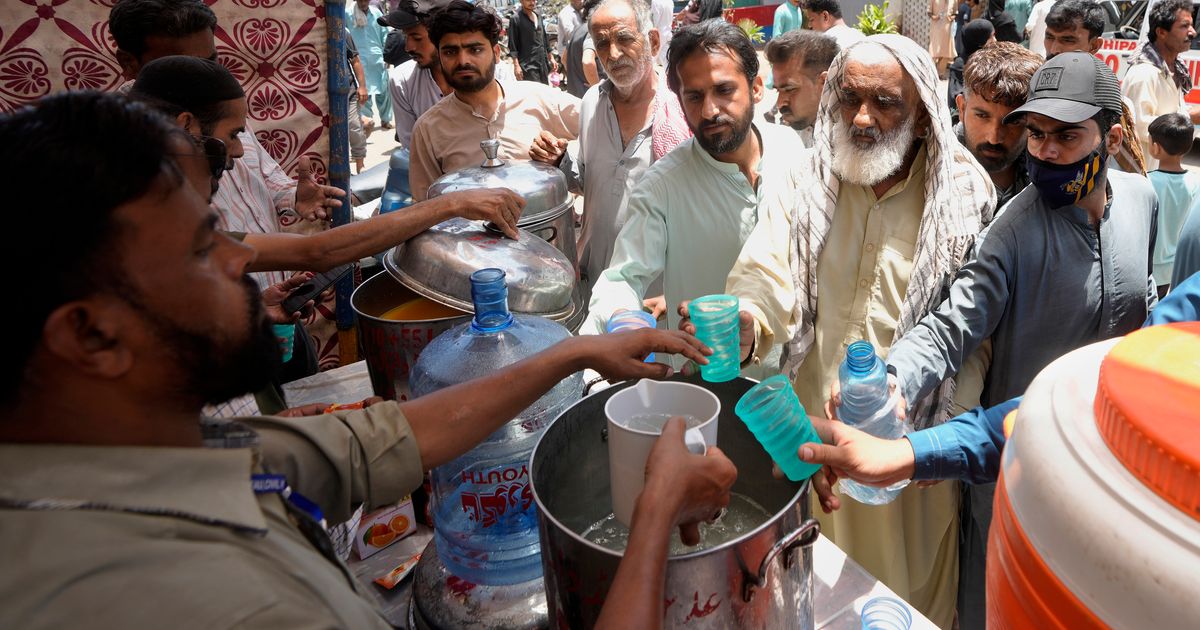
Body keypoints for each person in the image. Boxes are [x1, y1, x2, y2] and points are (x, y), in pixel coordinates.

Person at [0, 89, 731, 629]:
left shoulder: (175, 454)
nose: (242, 260)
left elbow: (389, 440)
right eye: (203, 250)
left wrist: (576, 349)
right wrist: (655, 511)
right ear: (90, 336)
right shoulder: (206, 600)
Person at [719, 36, 998, 629]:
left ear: (923, 112)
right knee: (806, 591)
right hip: (812, 442)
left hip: (908, 451)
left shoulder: (964, 193)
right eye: (849, 99)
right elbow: (767, 267)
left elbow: (973, 331)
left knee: (904, 604)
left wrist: (937, 441)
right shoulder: (807, 177)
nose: (863, 118)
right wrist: (748, 316)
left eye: (885, 102)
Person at [882, 52, 1158, 630]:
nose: (1045, 152)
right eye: (1034, 133)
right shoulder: (1013, 229)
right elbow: (951, 323)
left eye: (1065, 136)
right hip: (1017, 471)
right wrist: (893, 377)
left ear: (1111, 136)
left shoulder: (1142, 201)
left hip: (1113, 474)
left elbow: (1148, 311)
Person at [584, 19, 807, 361]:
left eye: (724, 90)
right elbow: (623, 277)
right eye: (694, 96)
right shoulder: (663, 186)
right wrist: (622, 323)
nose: (709, 111)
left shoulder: (787, 147)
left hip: (794, 376)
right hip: (708, 383)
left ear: (757, 88)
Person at [109, 0, 347, 290]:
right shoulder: (119, 151)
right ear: (129, 62)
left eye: (211, 61)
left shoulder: (220, 106)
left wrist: (293, 197)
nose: (206, 80)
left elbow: (263, 179)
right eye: (183, 68)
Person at [530, 0, 693, 304]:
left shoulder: (681, 110)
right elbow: (586, 183)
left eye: (624, 38)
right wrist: (557, 161)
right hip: (597, 280)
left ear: (653, 41)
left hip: (658, 291)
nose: (613, 54)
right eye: (602, 44)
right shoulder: (592, 101)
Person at [408, 0, 581, 201]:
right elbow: (426, 205)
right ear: (439, 56)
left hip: (547, 230)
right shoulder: (428, 129)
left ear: (496, 53)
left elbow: (603, 126)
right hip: (468, 233)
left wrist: (563, 159)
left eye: (475, 49)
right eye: (450, 52)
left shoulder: (537, 98)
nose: (463, 60)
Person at [1044, 0, 1147, 175]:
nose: (1054, 49)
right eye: (1049, 37)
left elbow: (1125, 171)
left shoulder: (1114, 106)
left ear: (1094, 46)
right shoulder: (1028, 87)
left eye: (1067, 40)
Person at [955, 42, 1040, 208]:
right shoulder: (929, 168)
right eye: (982, 116)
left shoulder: (1045, 171)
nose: (994, 137)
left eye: (1013, 121)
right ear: (962, 107)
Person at [1122, 0, 1199, 172]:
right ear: (1162, 32)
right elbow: (1139, 127)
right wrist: (1188, 117)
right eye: (1184, 26)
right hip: (1142, 172)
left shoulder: (1175, 68)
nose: (1192, 32)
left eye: (1191, 25)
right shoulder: (1144, 74)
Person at [382, 1, 454, 148]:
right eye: (406, 36)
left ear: (443, 35)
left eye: (417, 38)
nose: (408, 47)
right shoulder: (402, 80)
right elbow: (411, 149)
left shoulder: (490, 74)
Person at [1147, 113, 1200, 296]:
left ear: (1155, 147)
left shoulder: (1147, 180)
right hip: (1174, 264)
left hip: (1149, 263)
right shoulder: (1195, 183)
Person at [764, 29, 839, 146]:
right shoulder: (786, 140)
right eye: (777, 90)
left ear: (825, 82)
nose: (779, 104)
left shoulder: (852, 140)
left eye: (789, 89)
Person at [351, 0, 394, 132]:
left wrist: (387, 54)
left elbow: (385, 34)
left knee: (384, 91)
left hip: (377, 59)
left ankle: (386, 119)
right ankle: (367, 121)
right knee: (364, 93)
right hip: (359, 61)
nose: (363, 2)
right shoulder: (348, 14)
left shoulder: (376, 13)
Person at [946, 18, 995, 121]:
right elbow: (955, 104)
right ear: (980, 41)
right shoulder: (960, 66)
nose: (995, 41)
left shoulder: (990, 61)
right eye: (991, 37)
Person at [563, 0, 604, 98]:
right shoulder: (593, 31)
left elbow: (564, 59)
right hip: (589, 97)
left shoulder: (577, 30)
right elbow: (588, 61)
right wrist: (596, 87)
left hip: (574, 94)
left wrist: (576, 77)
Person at [508, 0, 557, 83]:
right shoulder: (515, 19)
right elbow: (513, 45)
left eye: (534, 0)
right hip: (528, 66)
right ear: (521, 1)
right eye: (528, 0)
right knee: (534, 93)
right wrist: (516, 66)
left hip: (542, 63)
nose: (532, 2)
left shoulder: (539, 16)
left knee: (544, 91)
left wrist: (551, 58)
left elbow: (544, 38)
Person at [929, 0, 957, 77]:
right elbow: (929, 12)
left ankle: (940, 73)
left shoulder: (954, 1)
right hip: (936, 28)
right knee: (934, 51)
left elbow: (955, 13)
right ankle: (931, 72)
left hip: (947, 29)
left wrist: (951, 17)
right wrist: (934, 17)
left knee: (945, 52)